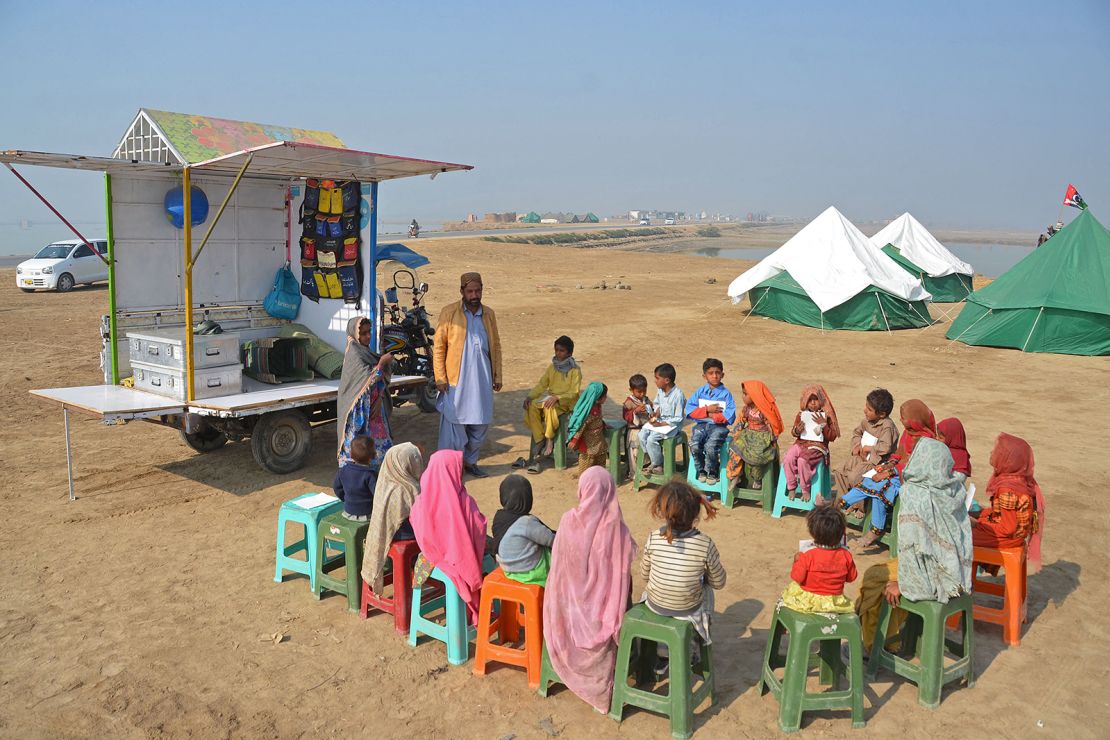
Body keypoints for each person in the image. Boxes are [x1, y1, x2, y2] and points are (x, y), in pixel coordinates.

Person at [855, 438, 973, 652]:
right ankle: (893, 634)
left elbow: (913, 548)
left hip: (928, 576)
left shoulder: (915, 494)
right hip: (955, 574)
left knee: (874, 579)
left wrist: (904, 583)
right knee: (885, 575)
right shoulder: (954, 489)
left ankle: (873, 645)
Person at [544, 467, 637, 713]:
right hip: (602, 615)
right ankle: (603, 683)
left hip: (569, 611)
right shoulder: (617, 528)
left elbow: (559, 570)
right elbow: (625, 569)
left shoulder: (567, 521)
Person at [640, 481, 726, 672]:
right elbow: (719, 582)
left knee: (650, 590)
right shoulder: (705, 543)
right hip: (686, 609)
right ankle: (694, 649)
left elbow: (644, 575)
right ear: (696, 513)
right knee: (708, 590)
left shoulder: (654, 537)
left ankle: (660, 651)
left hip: (656, 605)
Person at [433, 272, 503, 478]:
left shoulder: (488, 314)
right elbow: (439, 347)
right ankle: (451, 468)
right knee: (455, 424)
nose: (474, 295)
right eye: (470, 291)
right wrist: (440, 378)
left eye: (478, 290)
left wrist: (497, 375)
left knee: (481, 423)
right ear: (461, 291)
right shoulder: (449, 313)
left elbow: (496, 346)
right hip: (456, 380)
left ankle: (470, 462)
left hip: (482, 378)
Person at [844, 399, 938, 550]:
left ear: (914, 420)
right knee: (870, 479)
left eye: (904, 417)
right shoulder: (909, 433)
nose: (901, 420)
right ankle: (842, 503)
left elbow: (915, 467)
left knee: (880, 488)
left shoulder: (926, 440)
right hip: (895, 471)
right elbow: (898, 455)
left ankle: (876, 529)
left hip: (909, 478)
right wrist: (888, 465)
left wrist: (890, 471)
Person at [408, 449, 488, 621]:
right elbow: (479, 528)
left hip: (431, 555)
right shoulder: (464, 502)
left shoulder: (420, 502)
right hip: (459, 562)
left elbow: (416, 525)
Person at [970, 433, 1045, 572]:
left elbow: (1007, 528)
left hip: (1008, 539)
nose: (992, 452)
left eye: (997, 451)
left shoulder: (1007, 489)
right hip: (1015, 536)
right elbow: (1002, 514)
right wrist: (981, 514)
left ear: (1007, 460)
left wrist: (979, 523)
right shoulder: (1018, 481)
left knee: (956, 537)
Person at [361, 442, 424, 595]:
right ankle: (415, 575)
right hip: (403, 533)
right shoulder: (409, 488)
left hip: (384, 532)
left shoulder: (384, 480)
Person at [337, 316, 393, 467]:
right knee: (358, 449)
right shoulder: (354, 354)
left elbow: (379, 382)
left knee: (380, 448)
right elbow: (367, 380)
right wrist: (381, 363)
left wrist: (380, 398)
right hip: (359, 412)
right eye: (363, 333)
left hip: (375, 409)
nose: (368, 336)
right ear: (355, 334)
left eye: (369, 332)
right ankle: (356, 478)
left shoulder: (366, 352)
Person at [520, 335, 582, 467]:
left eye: (561, 351)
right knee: (532, 406)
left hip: (566, 402)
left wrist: (557, 397)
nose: (558, 353)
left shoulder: (575, 371)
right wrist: (530, 396)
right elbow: (542, 385)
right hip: (551, 398)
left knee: (549, 407)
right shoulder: (552, 367)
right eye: (556, 350)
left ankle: (549, 438)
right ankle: (539, 438)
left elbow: (574, 392)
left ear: (569, 353)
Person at [781, 506, 857, 613]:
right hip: (834, 602)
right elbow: (851, 578)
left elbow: (797, 577)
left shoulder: (807, 555)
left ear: (813, 532)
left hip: (808, 601)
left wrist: (796, 561)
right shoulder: (846, 555)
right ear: (841, 532)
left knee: (788, 594)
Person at [833, 388, 899, 497]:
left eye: (869, 409)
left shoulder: (887, 426)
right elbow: (857, 433)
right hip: (860, 457)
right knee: (840, 471)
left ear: (882, 414)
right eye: (866, 406)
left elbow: (886, 447)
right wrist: (857, 445)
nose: (865, 410)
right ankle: (844, 501)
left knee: (855, 477)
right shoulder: (866, 421)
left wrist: (870, 448)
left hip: (876, 463)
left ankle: (859, 507)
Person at [493, 475, 556, 586]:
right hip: (529, 573)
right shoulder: (527, 523)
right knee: (551, 551)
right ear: (529, 499)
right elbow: (552, 540)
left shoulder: (499, 517)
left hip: (508, 569)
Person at [684, 358, 737, 485]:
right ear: (704, 376)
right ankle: (701, 470)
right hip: (701, 425)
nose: (714, 376)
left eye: (718, 372)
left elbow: (730, 416)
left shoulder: (726, 394)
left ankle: (713, 470)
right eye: (711, 373)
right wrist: (707, 410)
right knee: (694, 444)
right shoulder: (700, 392)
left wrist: (713, 415)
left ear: (722, 375)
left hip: (719, 427)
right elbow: (689, 411)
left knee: (710, 447)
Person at [783, 384, 840, 502]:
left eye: (816, 400)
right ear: (805, 402)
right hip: (801, 443)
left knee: (802, 461)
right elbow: (794, 432)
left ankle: (805, 489)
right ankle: (792, 486)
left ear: (821, 401)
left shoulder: (827, 416)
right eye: (810, 400)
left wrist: (824, 424)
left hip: (817, 447)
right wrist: (797, 430)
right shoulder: (801, 415)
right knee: (788, 457)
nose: (813, 403)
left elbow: (832, 436)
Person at [725, 380, 784, 490]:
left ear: (754, 395)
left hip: (762, 437)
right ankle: (735, 475)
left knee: (757, 455)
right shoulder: (746, 409)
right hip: (747, 435)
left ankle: (757, 478)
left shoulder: (765, 411)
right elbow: (741, 422)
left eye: (745, 394)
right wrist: (735, 433)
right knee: (734, 449)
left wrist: (773, 440)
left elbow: (772, 426)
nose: (743, 397)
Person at [637, 363, 686, 475]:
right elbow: (658, 404)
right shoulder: (660, 391)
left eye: (657, 378)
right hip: (660, 422)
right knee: (642, 434)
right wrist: (655, 413)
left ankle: (657, 464)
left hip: (672, 426)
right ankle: (652, 459)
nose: (655, 381)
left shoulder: (678, 395)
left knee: (651, 439)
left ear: (667, 380)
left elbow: (678, 418)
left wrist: (660, 424)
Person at [566, 381, 609, 476]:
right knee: (585, 471)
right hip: (588, 447)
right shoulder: (587, 413)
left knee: (600, 468)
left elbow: (598, 419)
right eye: (605, 396)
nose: (606, 398)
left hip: (599, 443)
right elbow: (580, 426)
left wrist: (603, 424)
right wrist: (574, 440)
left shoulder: (598, 406)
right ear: (598, 398)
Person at [332, 436, 377, 521]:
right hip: (367, 514)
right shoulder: (370, 474)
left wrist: (346, 499)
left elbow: (336, 487)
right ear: (373, 456)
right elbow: (377, 494)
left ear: (351, 454)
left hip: (348, 512)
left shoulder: (343, 470)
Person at [622, 374, 654, 478]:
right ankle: (634, 473)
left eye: (644, 391)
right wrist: (635, 411)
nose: (642, 394)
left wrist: (651, 411)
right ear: (631, 390)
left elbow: (652, 410)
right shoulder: (628, 403)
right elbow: (625, 416)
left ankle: (646, 469)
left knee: (647, 451)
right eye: (639, 392)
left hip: (646, 429)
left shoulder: (646, 400)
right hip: (634, 431)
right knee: (634, 453)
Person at [937, 417, 972, 484]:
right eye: (937, 436)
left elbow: (957, 481)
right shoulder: (941, 451)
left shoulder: (961, 458)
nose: (937, 439)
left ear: (951, 438)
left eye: (940, 437)